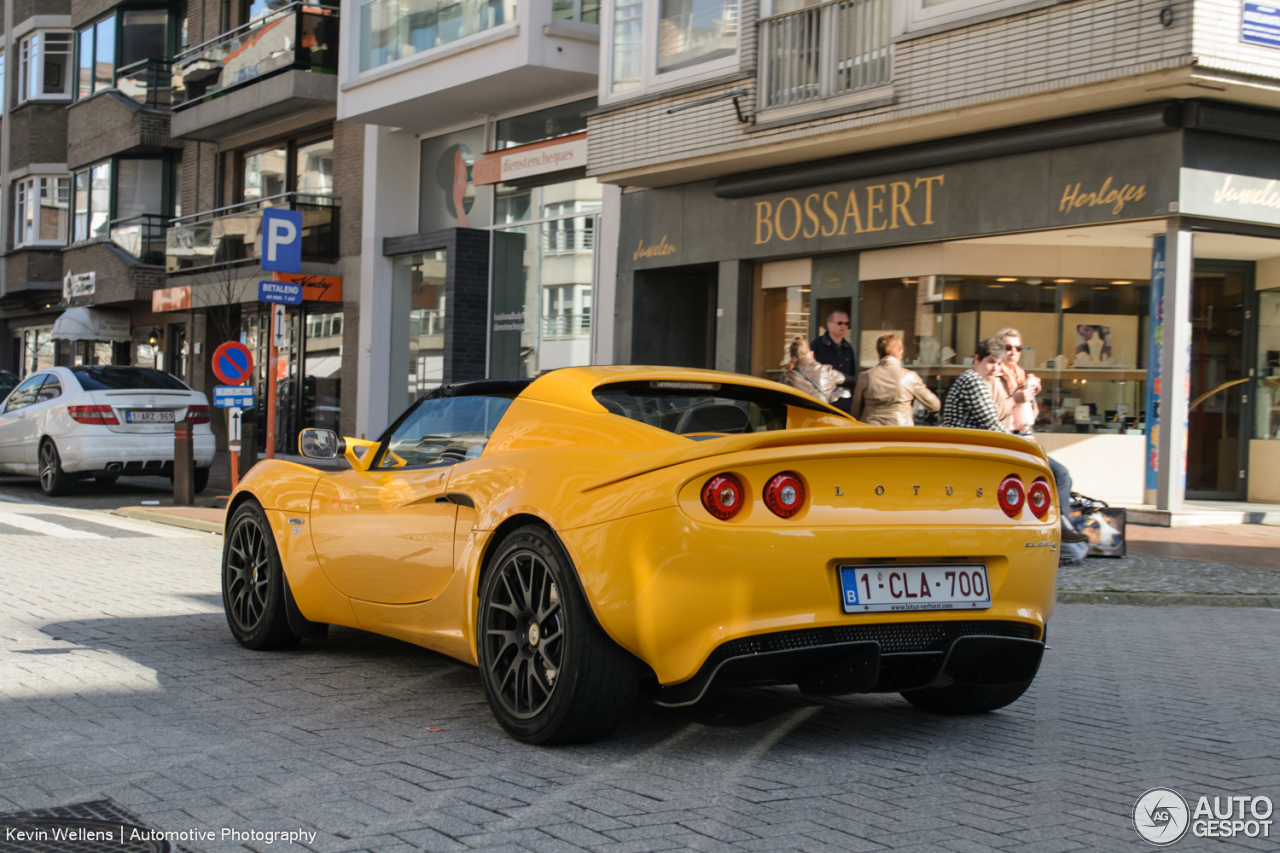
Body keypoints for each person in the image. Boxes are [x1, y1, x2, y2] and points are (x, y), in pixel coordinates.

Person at [941, 336, 1088, 543]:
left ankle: (1057, 526)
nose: (995, 368)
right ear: (977, 359)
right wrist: (1025, 445)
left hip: (976, 451)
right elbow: (991, 425)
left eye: (998, 363)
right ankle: (1057, 527)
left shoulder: (977, 380)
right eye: (990, 362)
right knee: (1059, 474)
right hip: (975, 452)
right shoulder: (973, 380)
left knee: (1050, 476)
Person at [995, 327, 1079, 540]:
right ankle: (1060, 530)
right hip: (1006, 438)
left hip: (1024, 437)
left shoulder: (1021, 375)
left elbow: (1031, 415)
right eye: (1008, 347)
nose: (1013, 352)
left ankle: (1060, 527)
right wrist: (1016, 397)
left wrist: (1031, 397)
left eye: (1018, 348)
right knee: (1055, 476)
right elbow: (993, 411)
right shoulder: (996, 375)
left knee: (1059, 475)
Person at [851, 333, 940, 426]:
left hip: (872, 430)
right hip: (900, 431)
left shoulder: (865, 376)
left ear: (878, 353)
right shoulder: (910, 377)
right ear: (900, 353)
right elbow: (934, 405)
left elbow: (855, 412)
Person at [811, 311, 856, 413]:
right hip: (823, 403)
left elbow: (852, 375)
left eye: (846, 323)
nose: (843, 326)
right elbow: (810, 372)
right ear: (829, 325)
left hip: (844, 405)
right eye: (840, 323)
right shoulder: (817, 345)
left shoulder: (848, 348)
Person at [781, 337, 846, 405]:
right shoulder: (827, 371)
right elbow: (847, 380)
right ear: (811, 354)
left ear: (792, 358)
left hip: (798, 411)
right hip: (821, 411)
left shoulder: (787, 377)